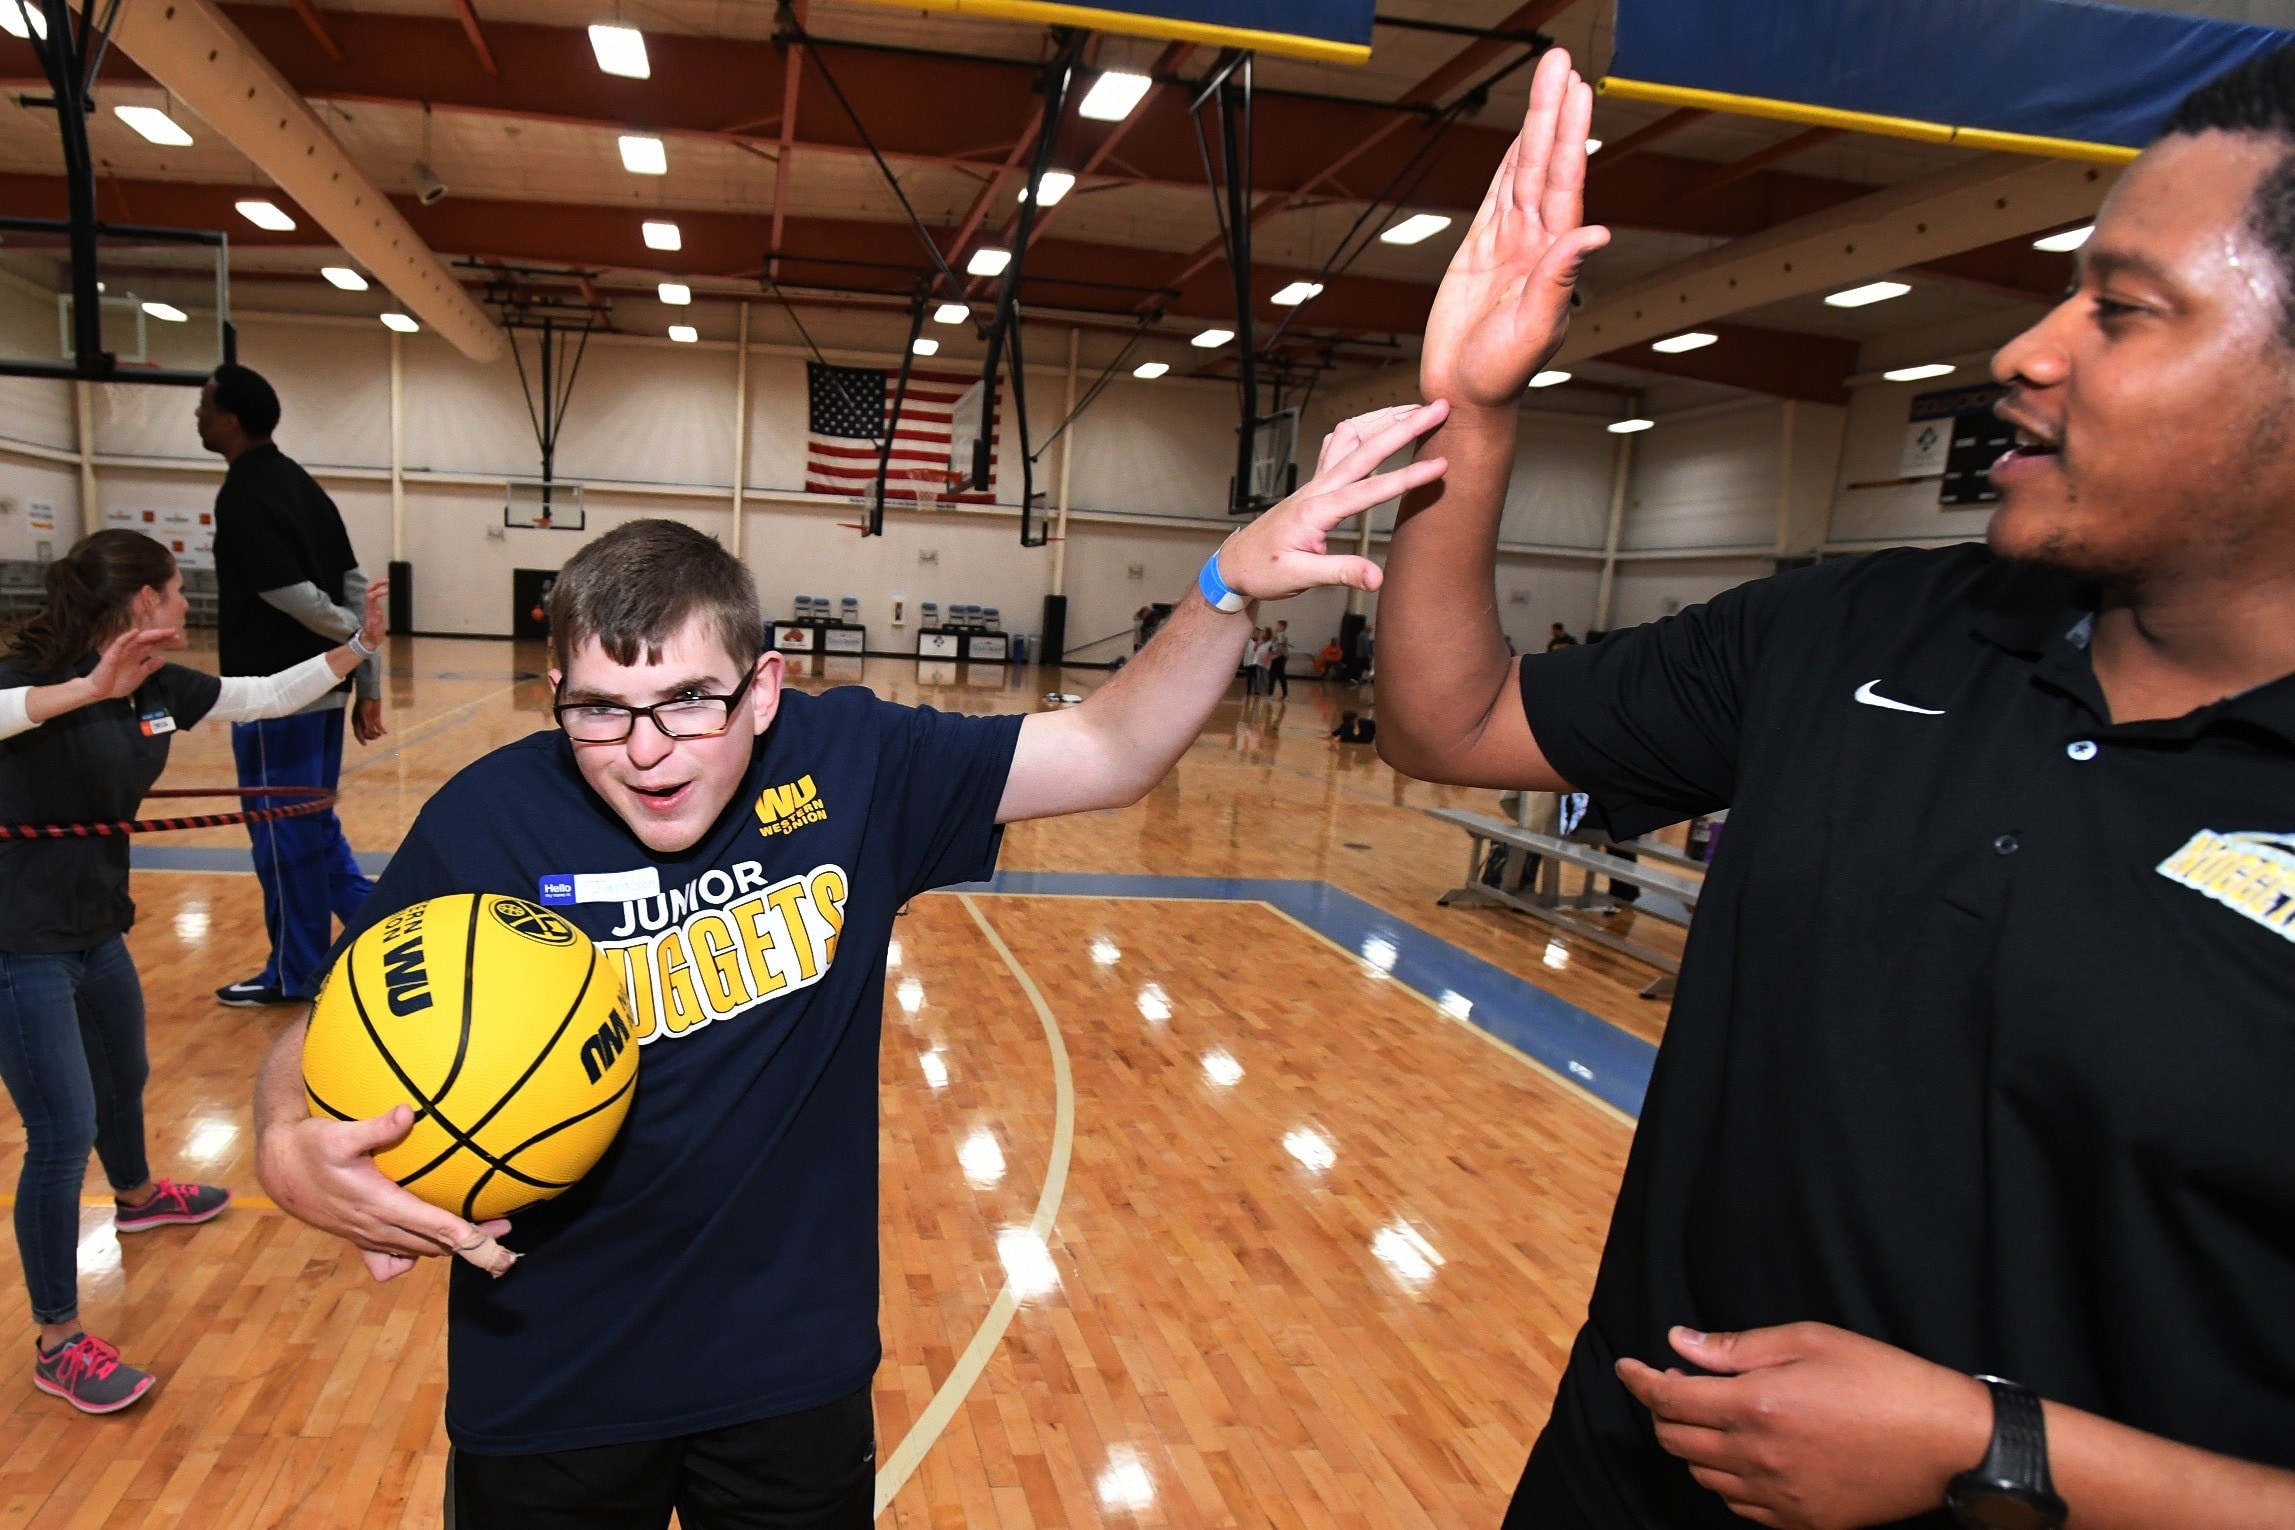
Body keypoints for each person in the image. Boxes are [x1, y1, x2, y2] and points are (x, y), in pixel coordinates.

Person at [1376, 43, 2295, 1529]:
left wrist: (1988, 1446)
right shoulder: (1848, 629)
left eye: (2118, 310)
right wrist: (1470, 416)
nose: (2025, 349)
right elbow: (1453, 716)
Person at [252, 404, 1450, 1528]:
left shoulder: (854, 767)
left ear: (766, 686)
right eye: (602, 711)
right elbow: (320, 1031)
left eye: (690, 703)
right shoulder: (489, 820)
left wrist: (1223, 585)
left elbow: (1111, 746)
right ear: (557, 693)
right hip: (546, 1381)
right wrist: (282, 1143)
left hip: (788, 1376)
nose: (648, 752)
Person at [0, 529, 389, 1413]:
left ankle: (135, 1195)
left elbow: (262, 697)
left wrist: (357, 652)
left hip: (94, 921)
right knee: (60, 1134)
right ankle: (59, 1340)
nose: (186, 607)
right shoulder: (26, 674)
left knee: (127, 1074)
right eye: (177, 592)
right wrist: (84, 692)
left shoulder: (160, 686)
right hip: (17, 937)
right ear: (142, 601)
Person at [198, 364, 385, 1009]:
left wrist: (358, 648)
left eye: (205, 405)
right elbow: (356, 584)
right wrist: (366, 677)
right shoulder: (304, 488)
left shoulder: (246, 495)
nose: (198, 416)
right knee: (311, 829)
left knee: (283, 836)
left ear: (232, 418)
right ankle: (388, 935)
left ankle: (295, 972)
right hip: (321, 691)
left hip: (277, 696)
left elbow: (298, 597)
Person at [1269, 619, 1291, 697]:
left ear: (1283, 627)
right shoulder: (1279, 634)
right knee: (1280, 675)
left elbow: (1280, 646)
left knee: (1273, 675)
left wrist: (1284, 654)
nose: (1277, 627)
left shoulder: (1281, 634)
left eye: (1278, 625)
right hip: (1278, 657)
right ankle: (1285, 695)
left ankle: (1270, 694)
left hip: (1279, 657)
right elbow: (1273, 642)